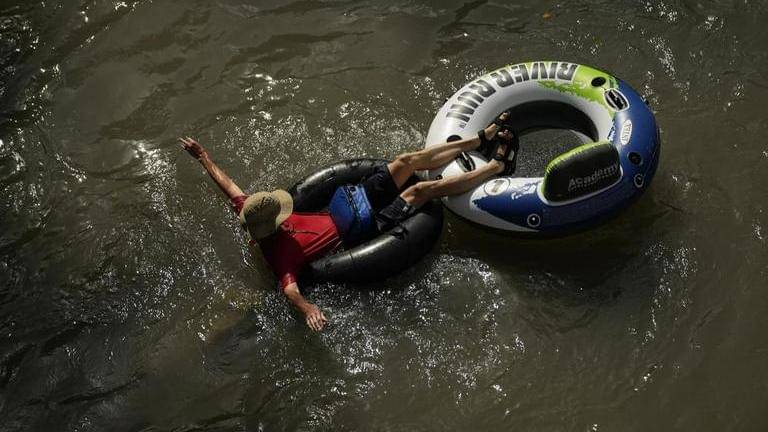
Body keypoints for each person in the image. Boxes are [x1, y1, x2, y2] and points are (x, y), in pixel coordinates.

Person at [180, 112, 516, 331]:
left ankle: (479, 141)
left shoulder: (253, 211)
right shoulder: (279, 256)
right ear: (272, 225)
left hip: (350, 202)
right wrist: (308, 309)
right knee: (422, 192)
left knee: (406, 160)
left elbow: (229, 187)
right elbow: (290, 289)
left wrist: (203, 157)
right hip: (363, 228)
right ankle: (497, 168)